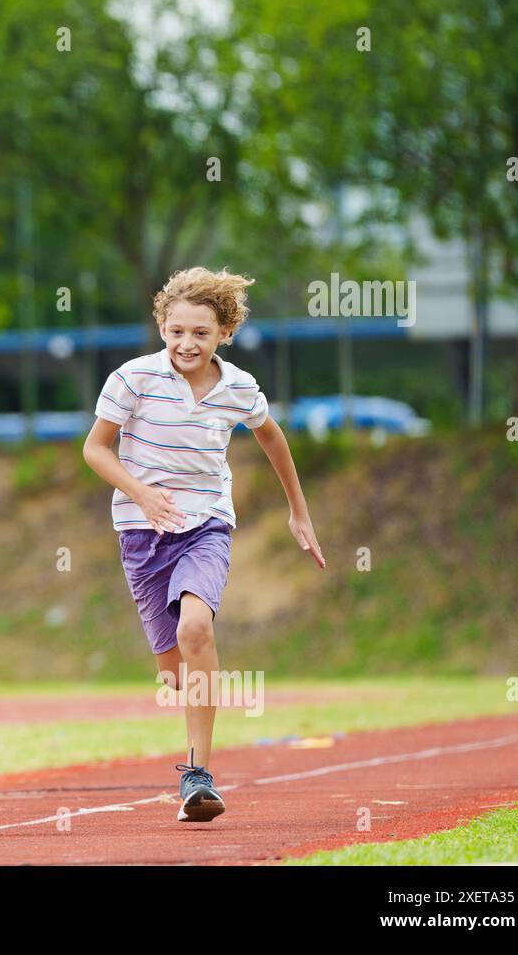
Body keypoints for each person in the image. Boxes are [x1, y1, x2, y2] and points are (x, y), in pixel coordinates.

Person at [82, 266, 325, 822]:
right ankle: (192, 712)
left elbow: (271, 436)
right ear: (161, 327)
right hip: (143, 533)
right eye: (176, 332)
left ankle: (198, 776)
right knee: (174, 674)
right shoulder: (132, 378)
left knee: (197, 628)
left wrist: (298, 511)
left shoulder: (238, 388)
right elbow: (95, 450)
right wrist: (140, 493)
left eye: (200, 333)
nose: (186, 344)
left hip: (206, 525)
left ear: (225, 334)